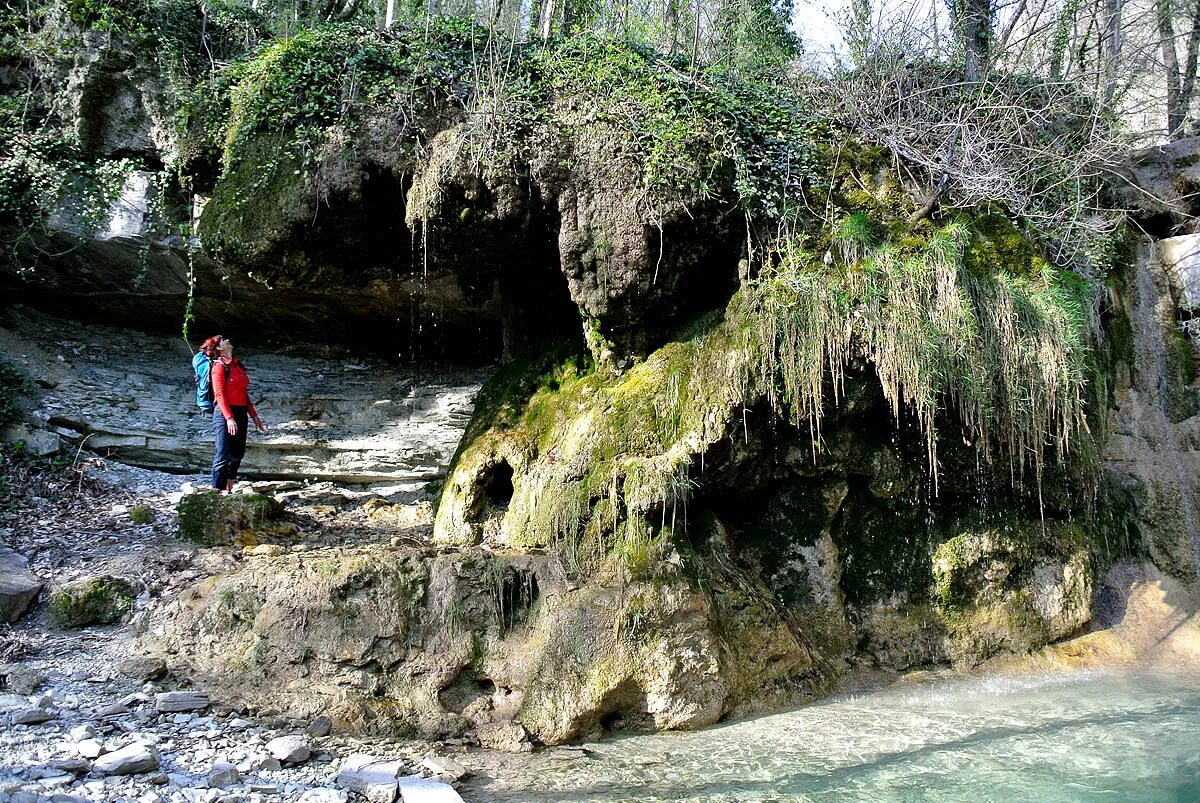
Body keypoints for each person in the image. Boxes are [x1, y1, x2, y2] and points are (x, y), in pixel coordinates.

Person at [200, 335, 265, 493]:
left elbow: (244, 393)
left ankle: (228, 488)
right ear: (220, 348)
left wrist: (254, 416)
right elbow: (219, 394)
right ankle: (216, 490)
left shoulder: (237, 365)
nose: (227, 340)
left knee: (238, 452)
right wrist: (229, 418)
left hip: (240, 411)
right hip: (223, 413)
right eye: (222, 340)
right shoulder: (219, 366)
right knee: (223, 452)